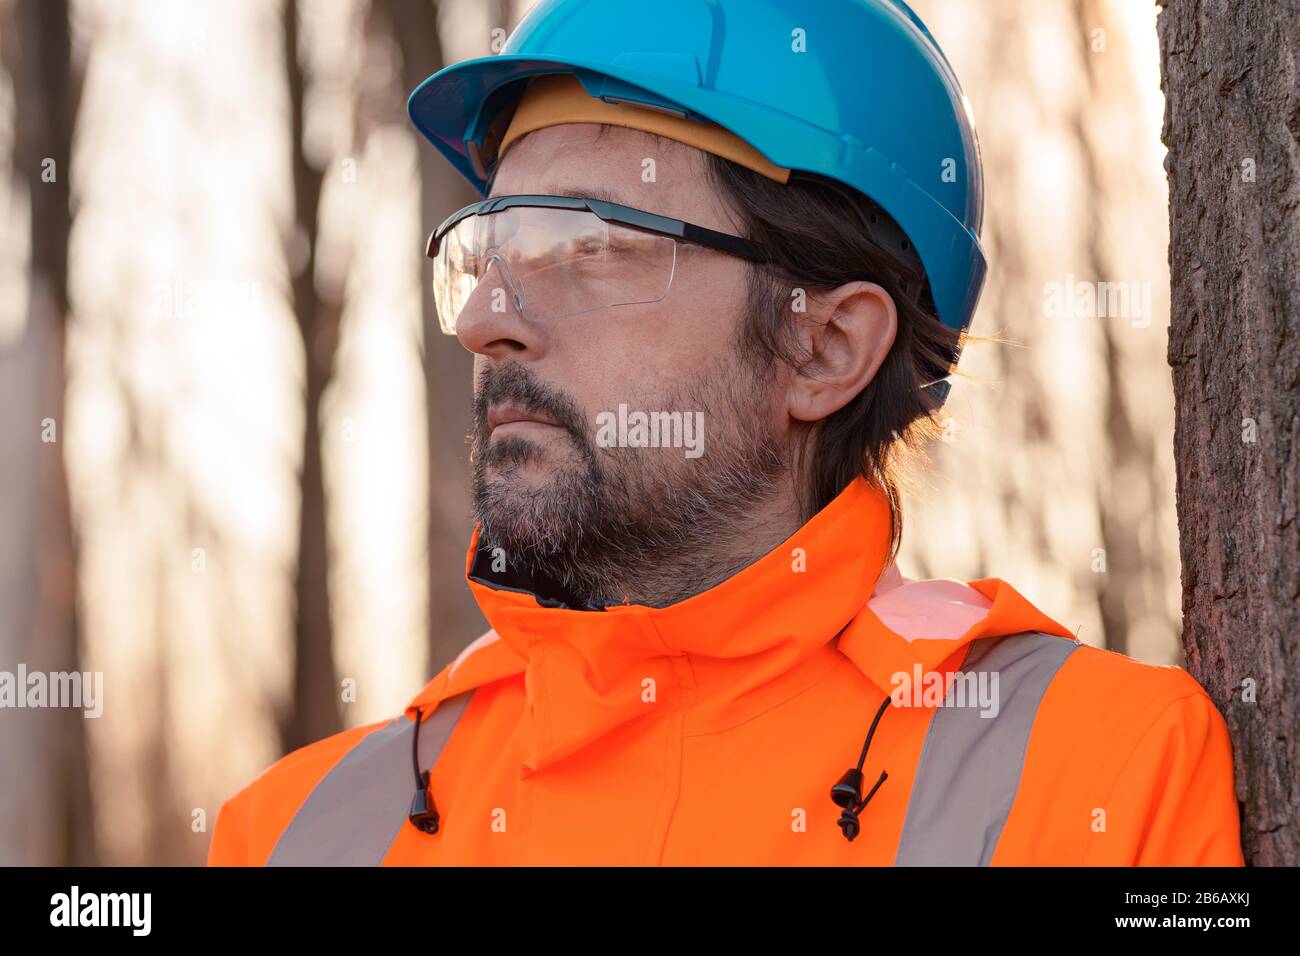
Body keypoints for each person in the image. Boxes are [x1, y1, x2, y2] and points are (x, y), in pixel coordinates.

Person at [208, 0, 1243, 866]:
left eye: (587, 242)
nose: (485, 318)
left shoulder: (1100, 778)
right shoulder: (297, 831)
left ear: (826, 347)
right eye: (491, 246)